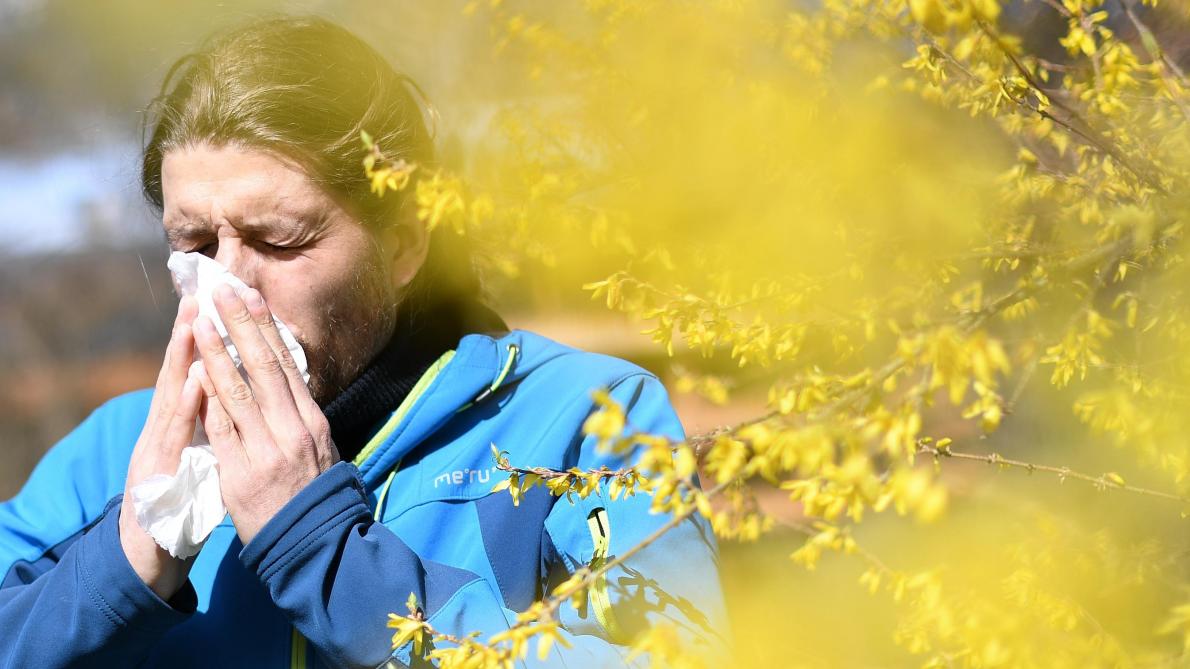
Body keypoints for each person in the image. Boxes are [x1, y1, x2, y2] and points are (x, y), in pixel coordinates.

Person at [0, 14, 726, 669]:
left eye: (277, 239)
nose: (229, 286)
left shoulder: (584, 418)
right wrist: (122, 566)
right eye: (194, 242)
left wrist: (329, 556)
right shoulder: (117, 451)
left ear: (403, 246)